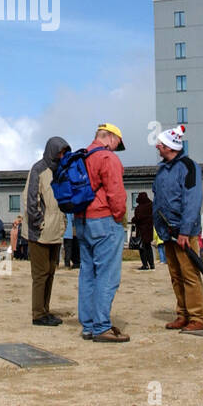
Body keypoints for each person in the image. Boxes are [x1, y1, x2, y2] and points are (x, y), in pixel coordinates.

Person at [76, 123, 129, 343]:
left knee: (87, 274)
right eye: (117, 143)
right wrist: (119, 216)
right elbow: (116, 193)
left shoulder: (81, 156)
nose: (117, 148)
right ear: (109, 137)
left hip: (81, 221)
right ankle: (101, 326)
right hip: (104, 220)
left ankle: (88, 326)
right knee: (107, 275)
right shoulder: (108, 158)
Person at [152, 124, 203, 332]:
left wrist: (185, 230)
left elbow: (192, 200)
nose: (157, 146)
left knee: (190, 275)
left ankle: (196, 317)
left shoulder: (189, 167)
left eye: (161, 144)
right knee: (176, 275)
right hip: (166, 232)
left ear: (170, 146)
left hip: (184, 232)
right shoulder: (162, 170)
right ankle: (182, 314)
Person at [24, 136, 68, 326]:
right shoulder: (38, 169)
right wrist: (39, 224)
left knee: (51, 271)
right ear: (52, 150)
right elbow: (31, 200)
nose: (62, 155)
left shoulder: (61, 170)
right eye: (60, 151)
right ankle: (38, 314)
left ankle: (45, 310)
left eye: (65, 151)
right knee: (40, 273)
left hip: (56, 230)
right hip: (40, 232)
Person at [132, 191, 155, 270]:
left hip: (141, 231)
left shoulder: (139, 208)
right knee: (148, 247)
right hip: (149, 230)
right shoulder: (151, 205)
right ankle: (152, 264)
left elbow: (137, 218)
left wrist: (133, 220)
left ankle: (145, 265)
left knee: (142, 248)